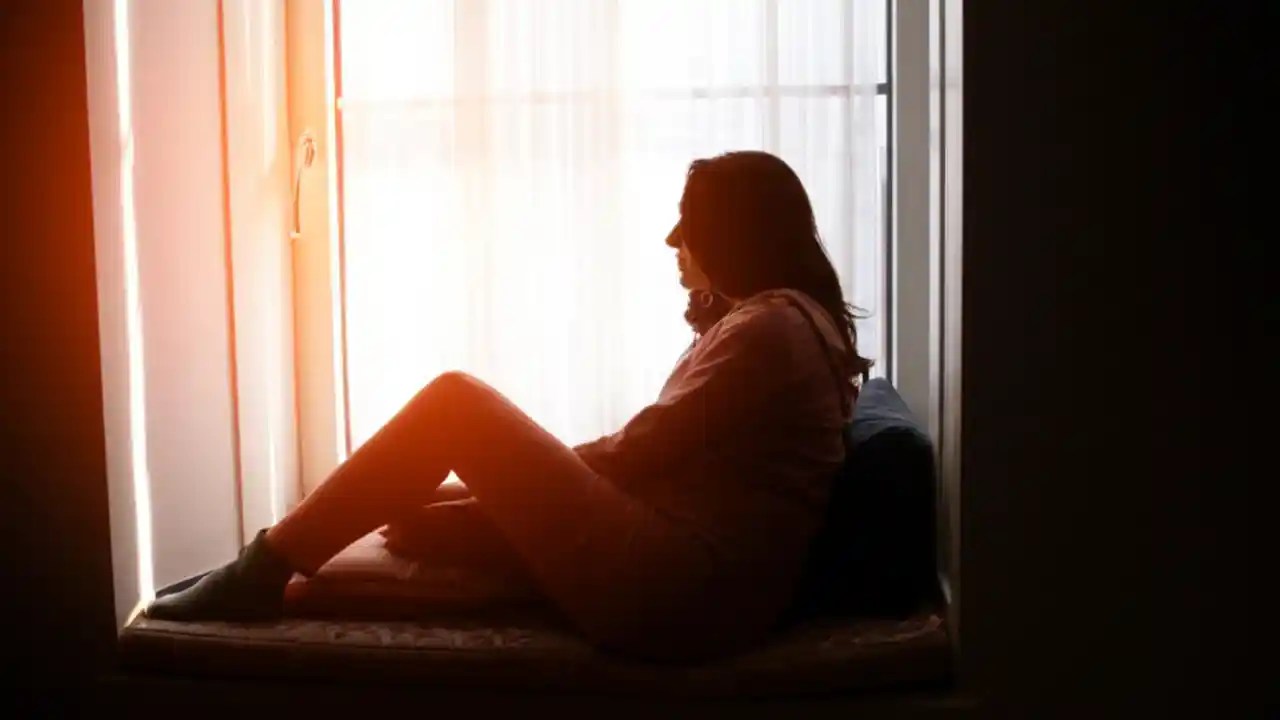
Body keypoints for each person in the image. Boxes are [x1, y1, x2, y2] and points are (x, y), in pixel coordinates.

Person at [145, 150, 873, 662]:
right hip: (700, 587)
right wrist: (489, 500)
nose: (673, 240)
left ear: (735, 231)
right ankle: (285, 560)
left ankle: (260, 569)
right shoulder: (788, 321)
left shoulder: (769, 328)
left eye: (690, 222)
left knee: (453, 405)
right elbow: (664, 461)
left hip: (679, 592)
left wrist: (489, 497)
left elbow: (635, 452)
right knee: (426, 509)